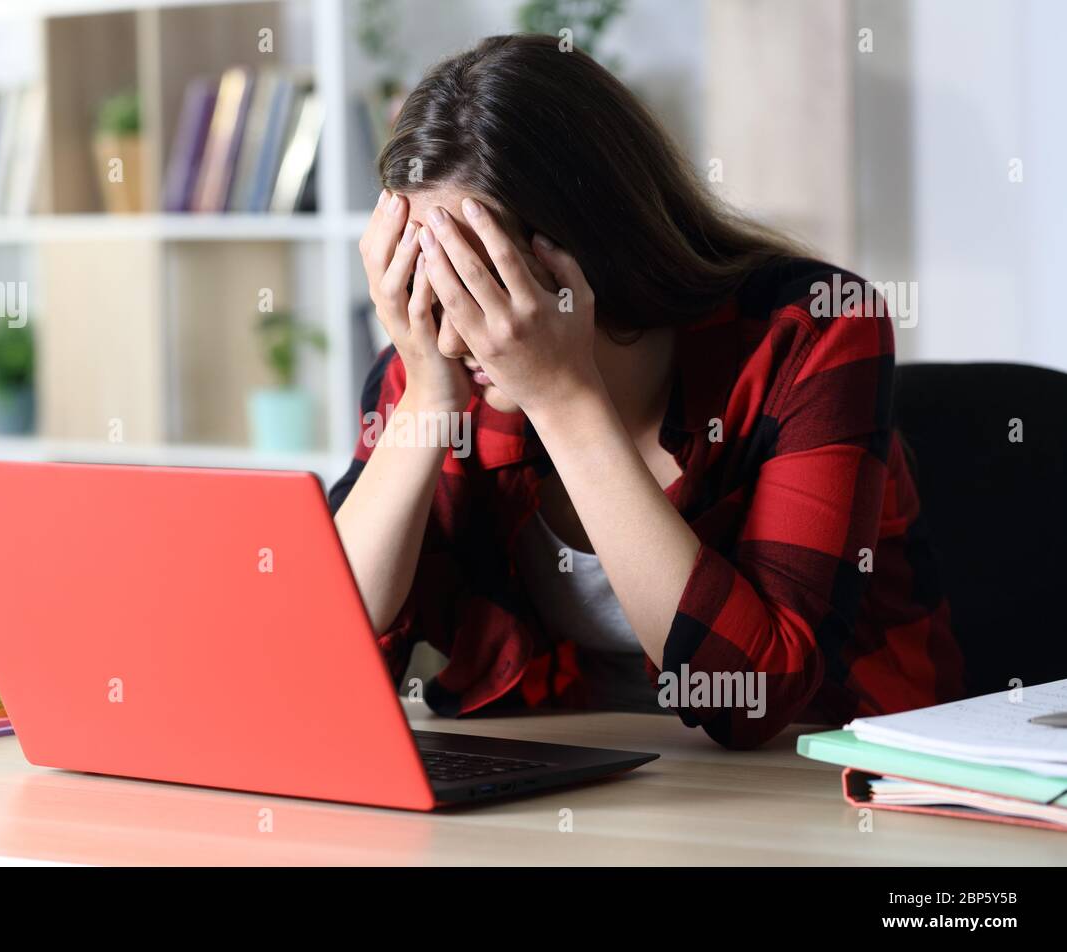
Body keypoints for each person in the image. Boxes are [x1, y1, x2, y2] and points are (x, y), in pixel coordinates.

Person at [329, 35, 964, 748]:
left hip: (833, 783)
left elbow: (754, 694)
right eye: (422, 276)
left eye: (478, 284)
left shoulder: (811, 330)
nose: (451, 333)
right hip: (581, 779)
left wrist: (565, 401)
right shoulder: (430, 367)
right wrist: (425, 403)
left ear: (588, 249)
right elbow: (320, 663)